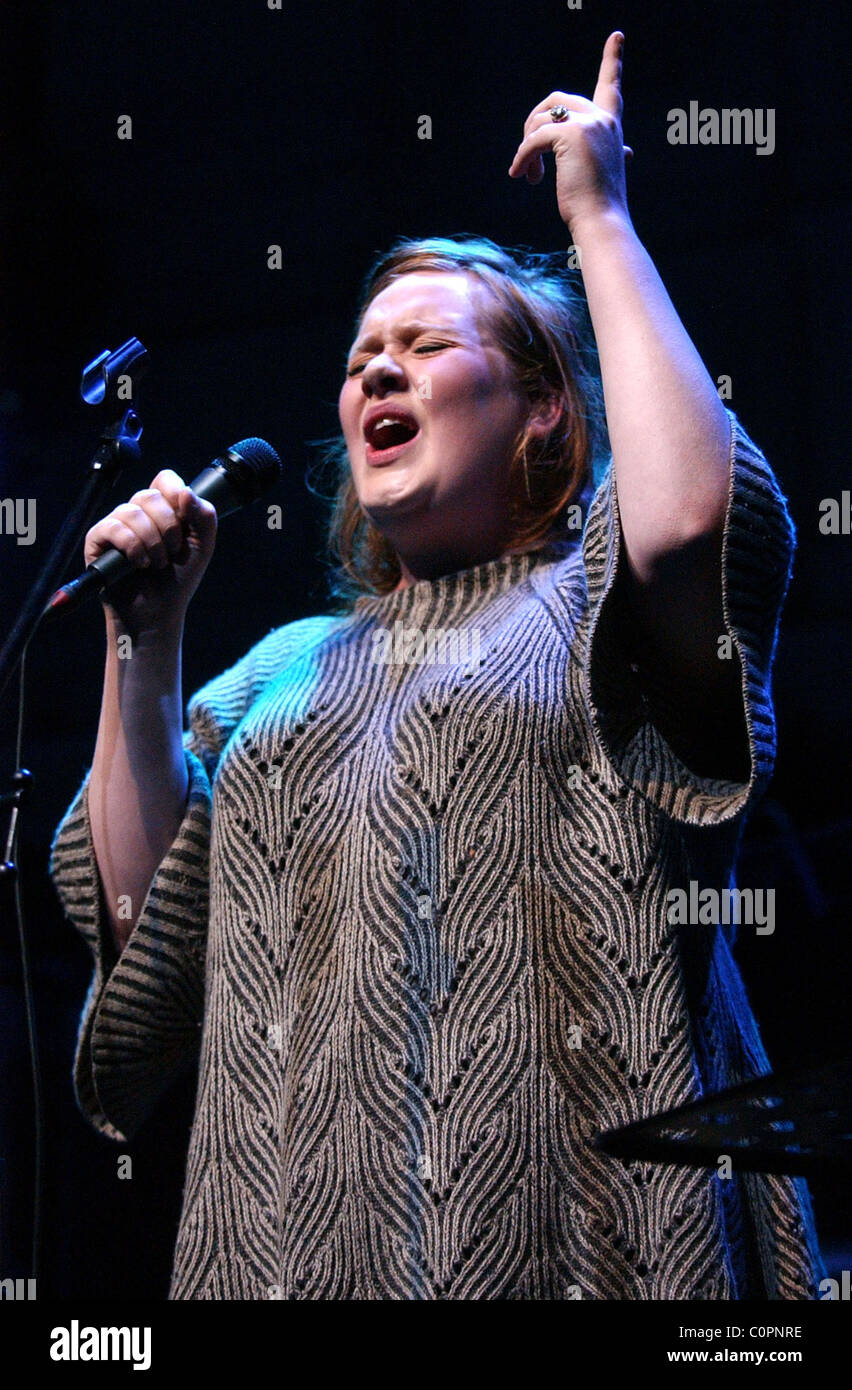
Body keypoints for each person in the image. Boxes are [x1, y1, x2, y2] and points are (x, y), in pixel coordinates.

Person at [50, 32, 824, 1299]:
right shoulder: (277, 672)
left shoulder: (589, 598)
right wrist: (143, 642)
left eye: (423, 345)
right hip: (289, 1253)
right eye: (361, 360)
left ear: (543, 407)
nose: (375, 371)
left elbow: (690, 524)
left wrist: (601, 218)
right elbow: (142, 939)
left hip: (580, 1239)